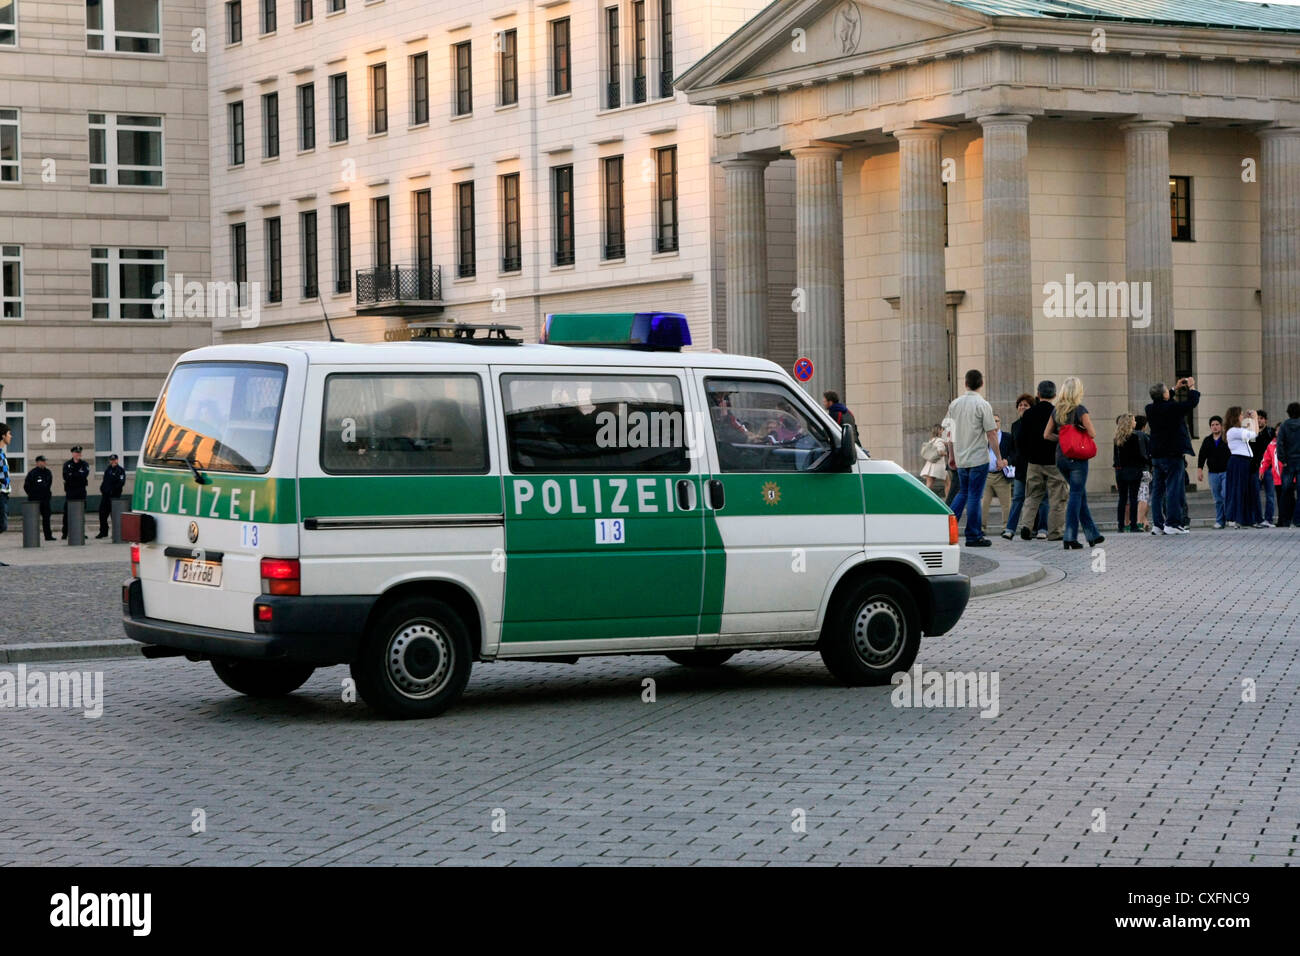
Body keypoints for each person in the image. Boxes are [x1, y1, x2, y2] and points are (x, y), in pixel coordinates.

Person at [943, 369, 1005, 547]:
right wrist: (999, 458)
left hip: (961, 458)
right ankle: (973, 535)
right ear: (982, 384)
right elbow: (992, 433)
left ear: (965, 383)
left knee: (963, 492)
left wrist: (951, 456)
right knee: (974, 496)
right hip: (978, 457)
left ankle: (945, 528)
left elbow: (949, 433)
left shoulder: (954, 405)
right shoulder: (982, 404)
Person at [1044, 376, 1104, 550]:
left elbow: (1046, 435)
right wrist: (1079, 433)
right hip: (1078, 459)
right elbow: (1092, 433)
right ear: (1078, 392)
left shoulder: (1056, 411)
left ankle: (1093, 534)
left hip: (1061, 458)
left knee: (1080, 494)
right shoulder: (1080, 410)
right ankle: (1069, 536)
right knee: (1076, 495)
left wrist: (1063, 439)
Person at [1144, 378, 1199, 534]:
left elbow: (1162, 402)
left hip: (1156, 455)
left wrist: (1174, 388)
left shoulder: (1150, 408)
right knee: (1174, 488)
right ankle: (1173, 523)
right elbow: (1191, 403)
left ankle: (1158, 524)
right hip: (1172, 454)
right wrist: (1192, 387)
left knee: (1157, 490)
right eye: (1168, 391)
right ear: (1164, 395)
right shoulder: (1172, 408)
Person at [1017, 380, 1068, 541]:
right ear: (1054, 395)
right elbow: (1064, 438)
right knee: (1057, 498)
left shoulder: (1029, 414)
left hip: (1034, 462)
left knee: (1032, 496)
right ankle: (1055, 532)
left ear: (1038, 394)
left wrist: (1028, 455)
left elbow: (1020, 439)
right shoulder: (1058, 413)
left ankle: (1026, 525)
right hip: (1054, 462)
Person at [1223, 407, 1263, 529]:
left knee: (1248, 490)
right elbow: (1254, 434)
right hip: (1239, 461)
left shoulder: (1237, 430)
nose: (1242, 417)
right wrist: (1255, 418)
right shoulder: (1233, 431)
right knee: (1239, 490)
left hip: (1245, 461)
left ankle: (1247, 518)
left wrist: (1250, 420)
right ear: (1235, 417)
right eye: (1240, 415)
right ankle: (1237, 518)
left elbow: (1250, 434)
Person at [982, 413, 1016, 538]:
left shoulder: (1007, 437)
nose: (995, 423)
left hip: (1002, 475)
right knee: (984, 503)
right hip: (986, 475)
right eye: (993, 421)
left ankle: (1006, 527)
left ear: (1000, 422)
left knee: (1006, 503)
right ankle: (981, 527)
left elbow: (1015, 453)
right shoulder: (984, 437)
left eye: (997, 421)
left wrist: (1007, 461)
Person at [1196, 415, 1230, 529]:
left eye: (1217, 425)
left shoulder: (1227, 439)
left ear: (1221, 426)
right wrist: (1199, 470)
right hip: (1213, 473)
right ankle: (1220, 521)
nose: (1215, 427)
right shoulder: (1207, 440)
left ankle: (1230, 518)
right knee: (1217, 499)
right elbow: (1202, 456)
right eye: (1212, 425)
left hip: (1226, 472)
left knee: (1226, 495)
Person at [1113, 413, 1145, 532]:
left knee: (1122, 498)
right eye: (1133, 420)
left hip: (1120, 471)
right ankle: (1133, 525)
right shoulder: (1135, 437)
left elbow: (1115, 458)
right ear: (1129, 423)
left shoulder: (1117, 438)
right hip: (1134, 469)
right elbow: (1139, 455)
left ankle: (1120, 525)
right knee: (1133, 498)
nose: (1135, 422)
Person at [1250, 410, 1276, 527]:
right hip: (1256, 468)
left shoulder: (1270, 432)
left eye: (1261, 418)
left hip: (1268, 468)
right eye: (1258, 418)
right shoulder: (1252, 434)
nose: (1259, 420)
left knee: (1270, 495)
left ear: (1265, 420)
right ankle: (1258, 519)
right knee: (1255, 495)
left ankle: (1269, 519)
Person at [1276, 402, 1300, 528]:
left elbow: (1279, 444)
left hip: (1288, 462)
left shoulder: (1284, 425)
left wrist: (1282, 459)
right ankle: (1298, 519)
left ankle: (1285, 519)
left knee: (1285, 492)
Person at [61, 445, 91, 540]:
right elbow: (67, 477)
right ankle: (65, 533)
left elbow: (84, 475)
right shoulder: (67, 464)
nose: (78, 454)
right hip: (70, 491)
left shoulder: (84, 464)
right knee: (67, 513)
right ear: (73, 453)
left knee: (81, 513)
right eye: (76, 453)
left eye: (79, 453)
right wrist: (77, 474)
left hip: (81, 491)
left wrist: (73, 475)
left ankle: (81, 532)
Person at [23, 454, 55, 541]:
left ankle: (48, 536)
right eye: (42, 461)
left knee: (46, 518)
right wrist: (32, 495)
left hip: (45, 499)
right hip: (35, 501)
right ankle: (33, 536)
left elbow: (49, 484)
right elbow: (26, 486)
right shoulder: (32, 473)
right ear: (37, 462)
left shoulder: (48, 472)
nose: (44, 463)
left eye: (45, 461)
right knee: (33, 519)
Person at [96, 453, 127, 539]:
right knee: (102, 514)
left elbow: (121, 483)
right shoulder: (108, 470)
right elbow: (105, 482)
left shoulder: (120, 470)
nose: (113, 461)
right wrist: (102, 489)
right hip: (105, 496)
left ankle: (116, 533)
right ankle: (103, 532)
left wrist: (112, 490)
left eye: (114, 460)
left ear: (117, 460)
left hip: (115, 497)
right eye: (111, 460)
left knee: (115, 516)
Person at [1134, 414, 1154, 532]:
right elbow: (1149, 453)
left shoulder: (1127, 436)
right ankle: (1140, 521)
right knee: (1144, 496)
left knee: (1135, 496)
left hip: (1131, 470)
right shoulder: (1145, 437)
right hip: (1144, 469)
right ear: (1144, 425)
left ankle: (1144, 520)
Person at [1260, 431, 1283, 520]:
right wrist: (1262, 470)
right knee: (1279, 498)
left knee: (1289, 498)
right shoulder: (1271, 444)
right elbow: (1266, 459)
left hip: (1289, 475)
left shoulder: (1289, 442)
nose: (1279, 432)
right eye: (1277, 430)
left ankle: (1291, 518)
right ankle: (1282, 519)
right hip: (1277, 476)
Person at [919, 424, 947, 492]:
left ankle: (923, 499)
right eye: (942, 430)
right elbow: (940, 452)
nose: (943, 431)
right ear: (939, 431)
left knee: (928, 485)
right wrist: (947, 453)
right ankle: (948, 501)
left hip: (930, 465)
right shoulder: (940, 440)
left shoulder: (931, 440)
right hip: (938, 465)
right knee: (948, 483)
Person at [0, 421, 10, 534]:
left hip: (4, 494)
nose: (10, 436)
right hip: (0, 494)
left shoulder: (2, 453)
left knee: (3, 525)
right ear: (3, 435)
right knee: (2, 525)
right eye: (9, 433)